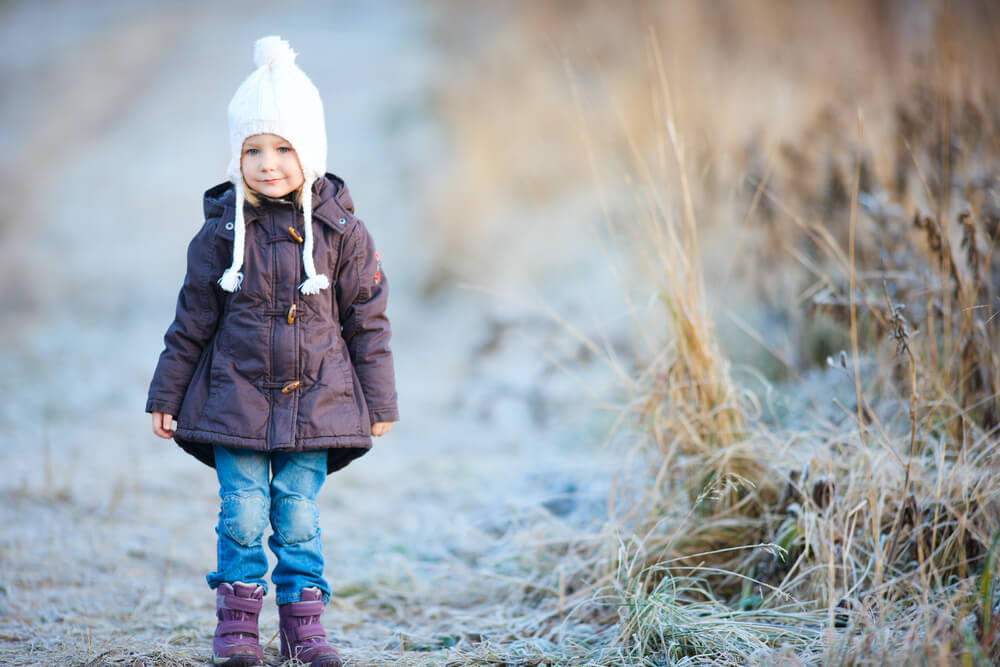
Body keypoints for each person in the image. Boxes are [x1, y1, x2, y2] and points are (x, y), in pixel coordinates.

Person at [146, 36, 398, 667]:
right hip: (234, 398)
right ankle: (236, 629)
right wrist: (166, 394)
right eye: (253, 149)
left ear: (309, 151)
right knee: (243, 512)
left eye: (283, 148)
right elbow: (191, 322)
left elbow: (367, 322)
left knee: (299, 516)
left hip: (318, 402)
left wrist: (379, 399)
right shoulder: (220, 235)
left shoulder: (344, 234)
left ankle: (303, 628)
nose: (268, 163)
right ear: (236, 155)